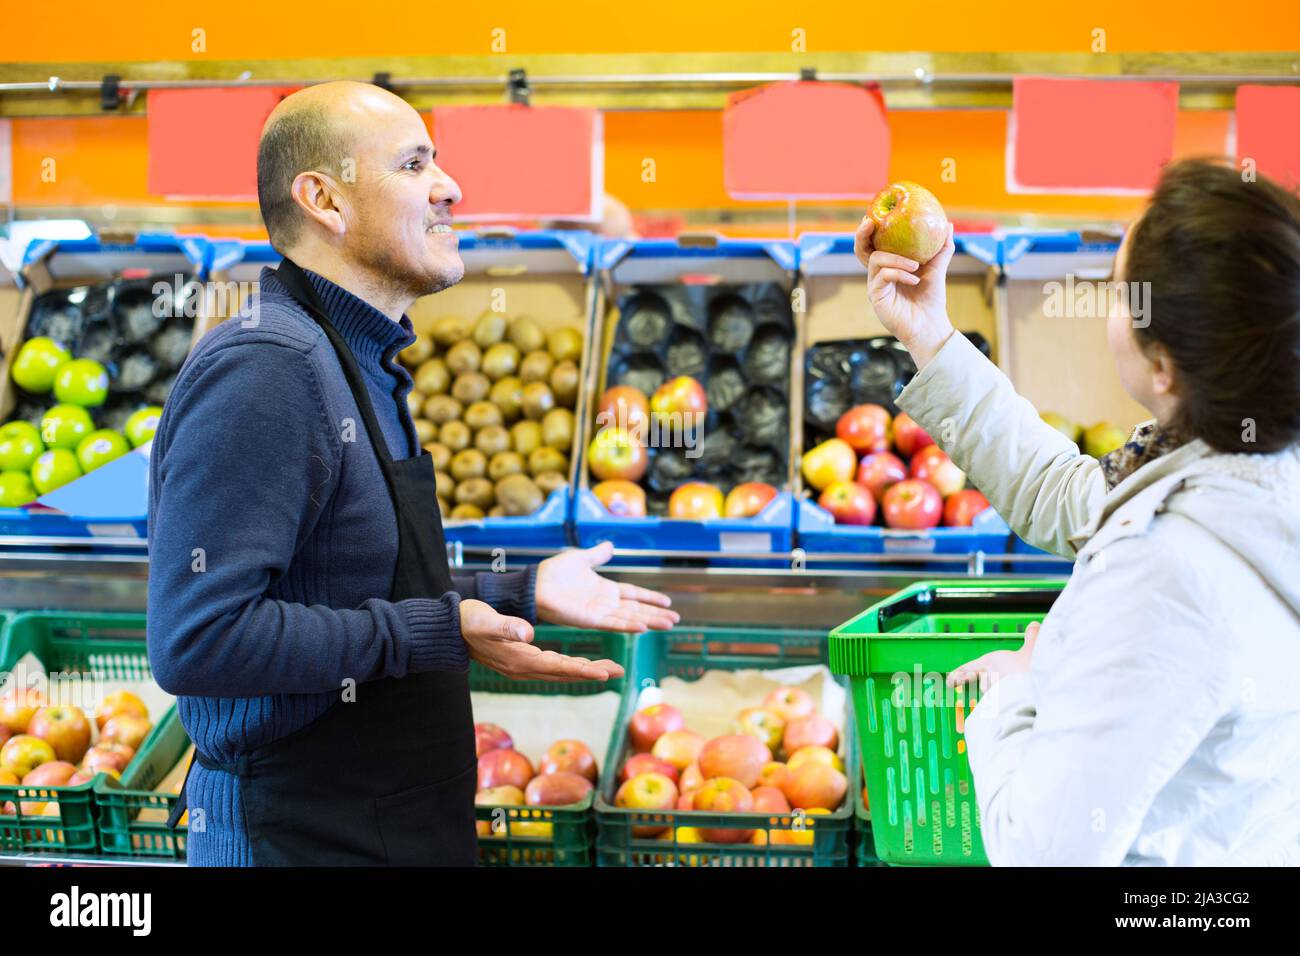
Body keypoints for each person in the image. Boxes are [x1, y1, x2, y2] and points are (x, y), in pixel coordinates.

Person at [146, 81, 679, 867]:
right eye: (413, 164)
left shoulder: (358, 360)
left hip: (378, 824)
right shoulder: (267, 368)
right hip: (297, 836)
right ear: (325, 199)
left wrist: (514, 594)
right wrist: (440, 628)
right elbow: (200, 639)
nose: (450, 186)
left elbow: (350, 581)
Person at [855, 158, 1300, 865]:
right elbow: (1064, 493)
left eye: (1120, 294)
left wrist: (1015, 697)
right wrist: (930, 333)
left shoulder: (1166, 569)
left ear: (1163, 365)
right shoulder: (1250, 468)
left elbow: (1043, 851)